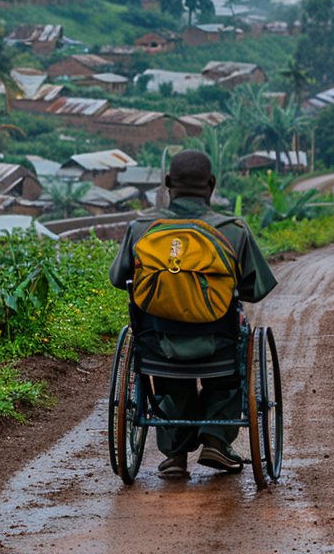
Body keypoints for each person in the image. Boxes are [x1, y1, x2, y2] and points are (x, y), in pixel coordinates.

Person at [109, 149, 277, 479]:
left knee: (169, 380)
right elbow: (255, 290)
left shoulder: (141, 228)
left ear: (168, 182)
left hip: (158, 344)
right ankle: (215, 438)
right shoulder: (234, 230)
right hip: (217, 346)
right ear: (211, 184)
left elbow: (119, 279)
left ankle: (174, 454)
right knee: (232, 360)